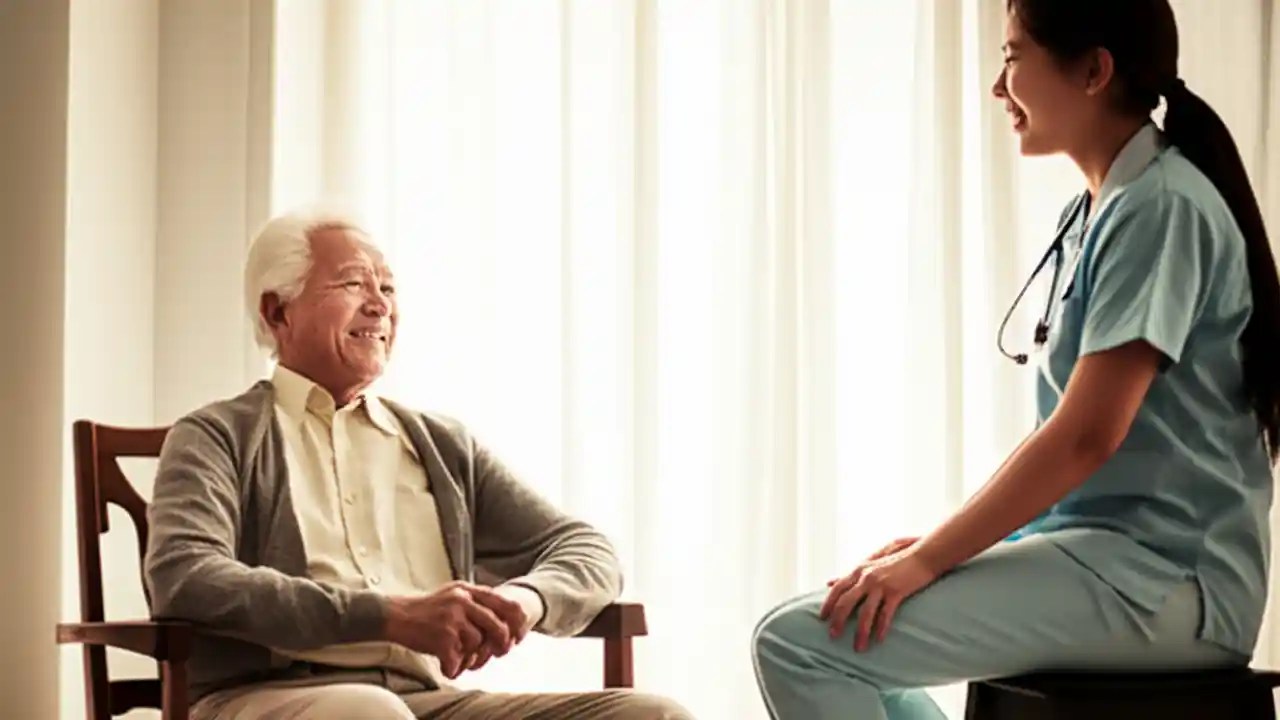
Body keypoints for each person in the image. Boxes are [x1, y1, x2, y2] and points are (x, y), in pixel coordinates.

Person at [751, 1, 1280, 717]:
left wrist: (932, 559)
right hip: (1106, 561)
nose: (999, 87)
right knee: (851, 630)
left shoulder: (1162, 206)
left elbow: (1087, 437)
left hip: (1171, 584)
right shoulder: (1099, 209)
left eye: (1010, 56)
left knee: (799, 643)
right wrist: (947, 546)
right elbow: (1064, 435)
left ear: (1094, 70)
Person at [144, 212, 692, 719]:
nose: (381, 305)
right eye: (354, 284)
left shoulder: (441, 445)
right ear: (277, 311)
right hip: (266, 697)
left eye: (387, 288)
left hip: (429, 702)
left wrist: (518, 604)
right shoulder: (216, 435)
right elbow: (187, 575)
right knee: (368, 713)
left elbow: (585, 549)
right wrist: (388, 616)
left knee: (656, 716)